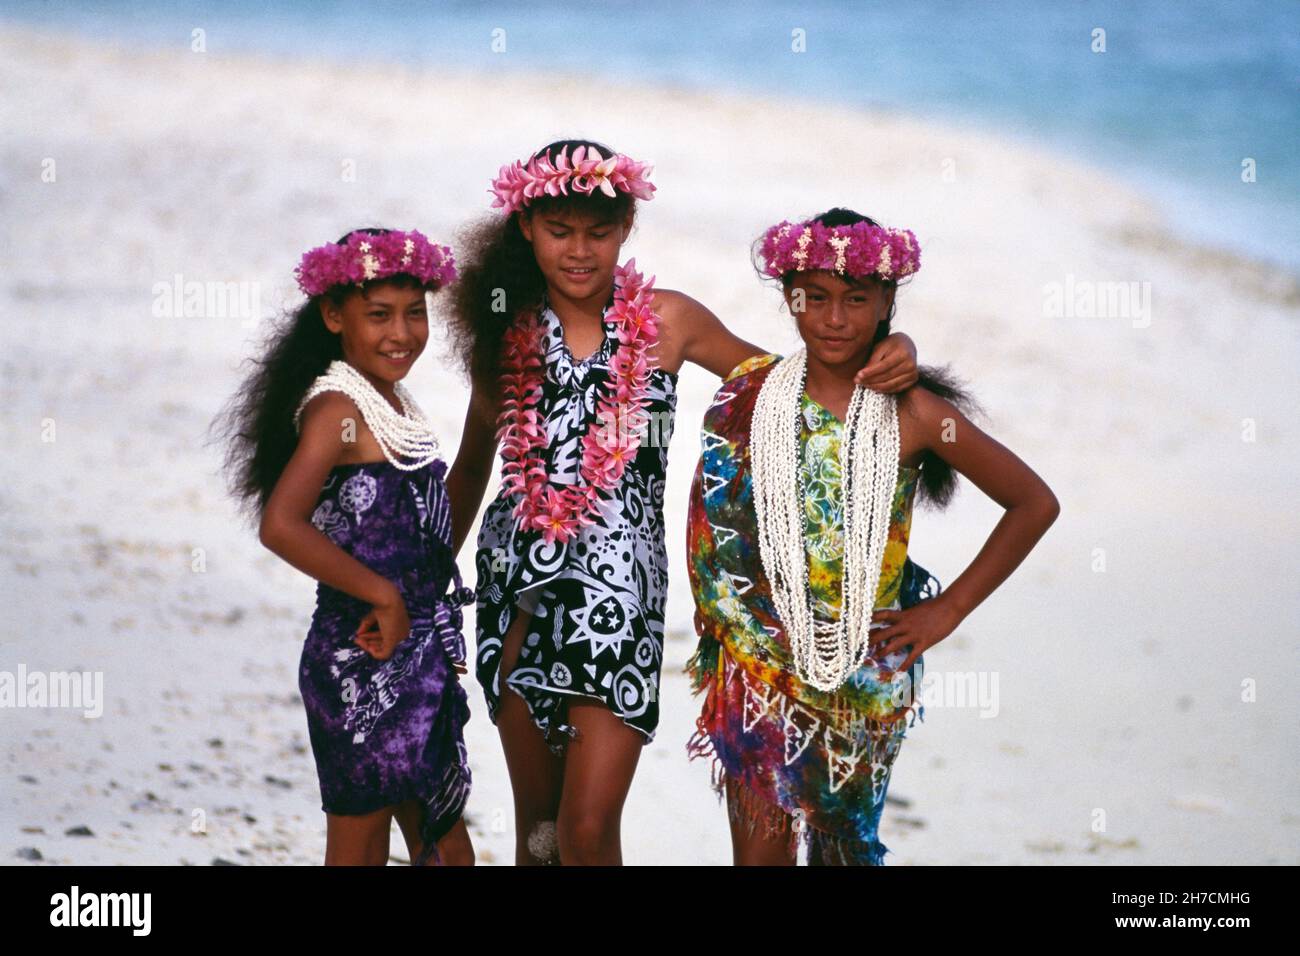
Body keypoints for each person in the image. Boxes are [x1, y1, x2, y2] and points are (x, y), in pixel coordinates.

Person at [442, 141, 921, 865]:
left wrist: (894, 343)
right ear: (526, 229)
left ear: (627, 225)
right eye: (559, 231)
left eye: (597, 232)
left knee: (587, 827)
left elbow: (795, 388)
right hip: (515, 597)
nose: (579, 251)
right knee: (538, 835)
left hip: (622, 599)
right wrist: (407, 585)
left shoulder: (669, 320)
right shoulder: (503, 328)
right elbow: (470, 472)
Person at [685, 208, 1061, 865]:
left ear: (888, 300)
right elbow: (670, 319)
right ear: (787, 298)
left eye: (857, 300)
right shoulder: (754, 386)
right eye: (816, 298)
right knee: (760, 856)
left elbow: (1032, 502)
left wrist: (948, 609)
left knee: (842, 853)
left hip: (861, 673)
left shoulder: (915, 413)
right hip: (754, 658)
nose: (835, 319)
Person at [213, 227, 475, 865]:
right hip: (359, 655)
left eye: (415, 313)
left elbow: (431, 540)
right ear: (333, 315)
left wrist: (488, 425)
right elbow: (281, 523)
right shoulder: (338, 408)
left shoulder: (394, 404)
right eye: (378, 315)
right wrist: (381, 594)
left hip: (414, 652)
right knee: (360, 852)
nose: (402, 333)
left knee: (445, 851)